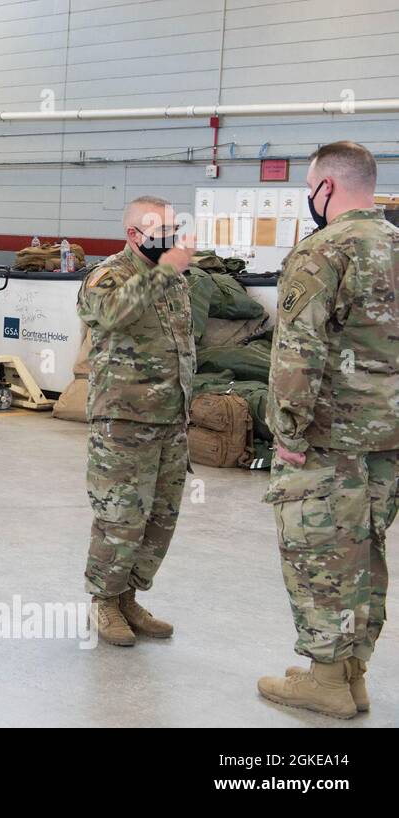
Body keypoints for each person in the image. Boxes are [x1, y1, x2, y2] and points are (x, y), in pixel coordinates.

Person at [256, 141, 399, 719]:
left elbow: (298, 351)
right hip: (387, 437)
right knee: (364, 550)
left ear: (326, 188)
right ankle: (350, 671)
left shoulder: (323, 251)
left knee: (318, 552)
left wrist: (287, 433)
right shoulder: (394, 244)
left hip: (329, 437)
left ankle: (324, 679)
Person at [77, 195, 196, 646]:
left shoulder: (177, 282)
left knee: (160, 518)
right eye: (160, 229)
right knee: (121, 517)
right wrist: (166, 269)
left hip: (171, 419)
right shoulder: (108, 276)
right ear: (133, 234)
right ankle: (104, 602)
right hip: (123, 422)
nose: (171, 236)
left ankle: (129, 596)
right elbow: (108, 316)